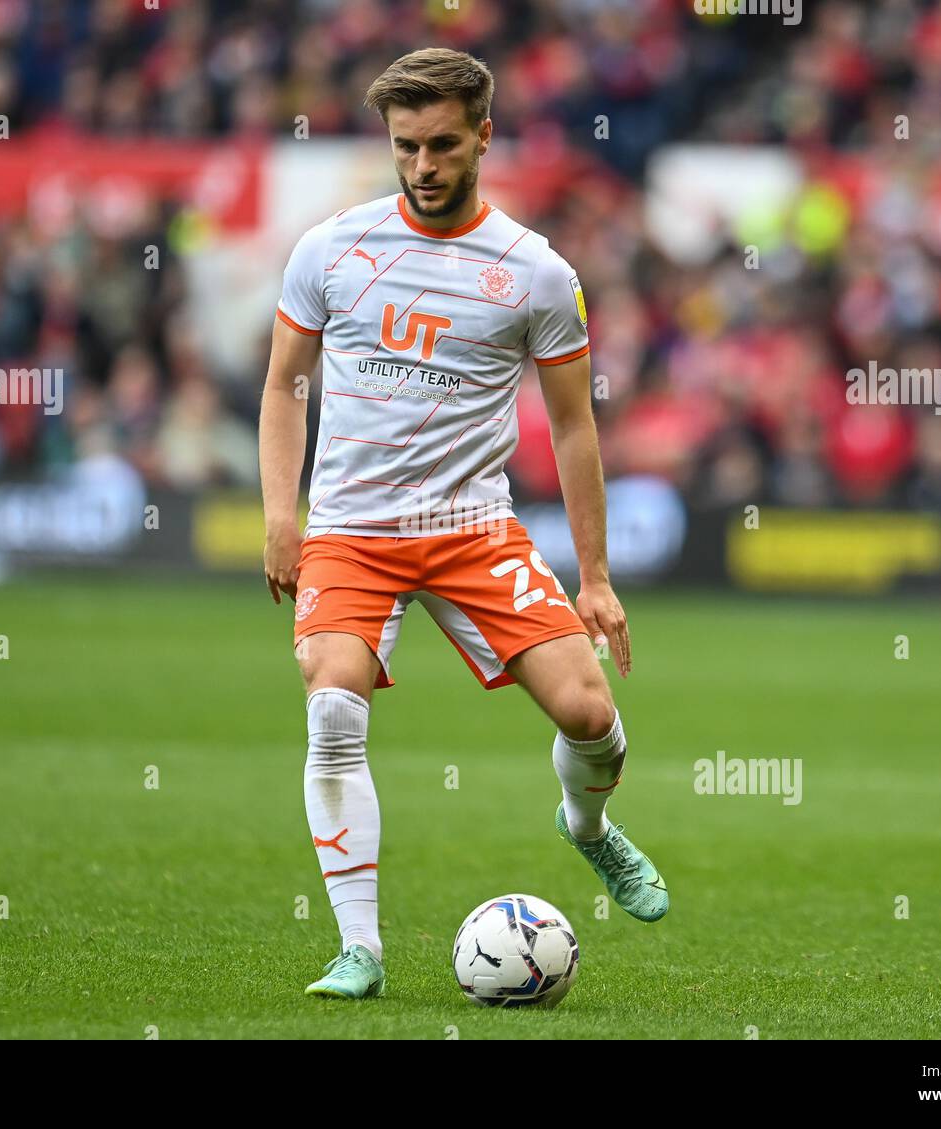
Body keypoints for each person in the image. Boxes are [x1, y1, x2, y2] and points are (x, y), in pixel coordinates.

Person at [259, 47, 667, 1001]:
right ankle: (360, 948)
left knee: (593, 718)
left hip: (473, 529)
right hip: (352, 529)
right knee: (331, 708)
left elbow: (573, 425)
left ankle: (587, 827)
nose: (424, 167)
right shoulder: (331, 249)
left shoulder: (534, 273)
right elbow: (284, 385)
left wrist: (595, 574)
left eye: (443, 145)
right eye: (406, 147)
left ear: (484, 134)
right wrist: (284, 514)